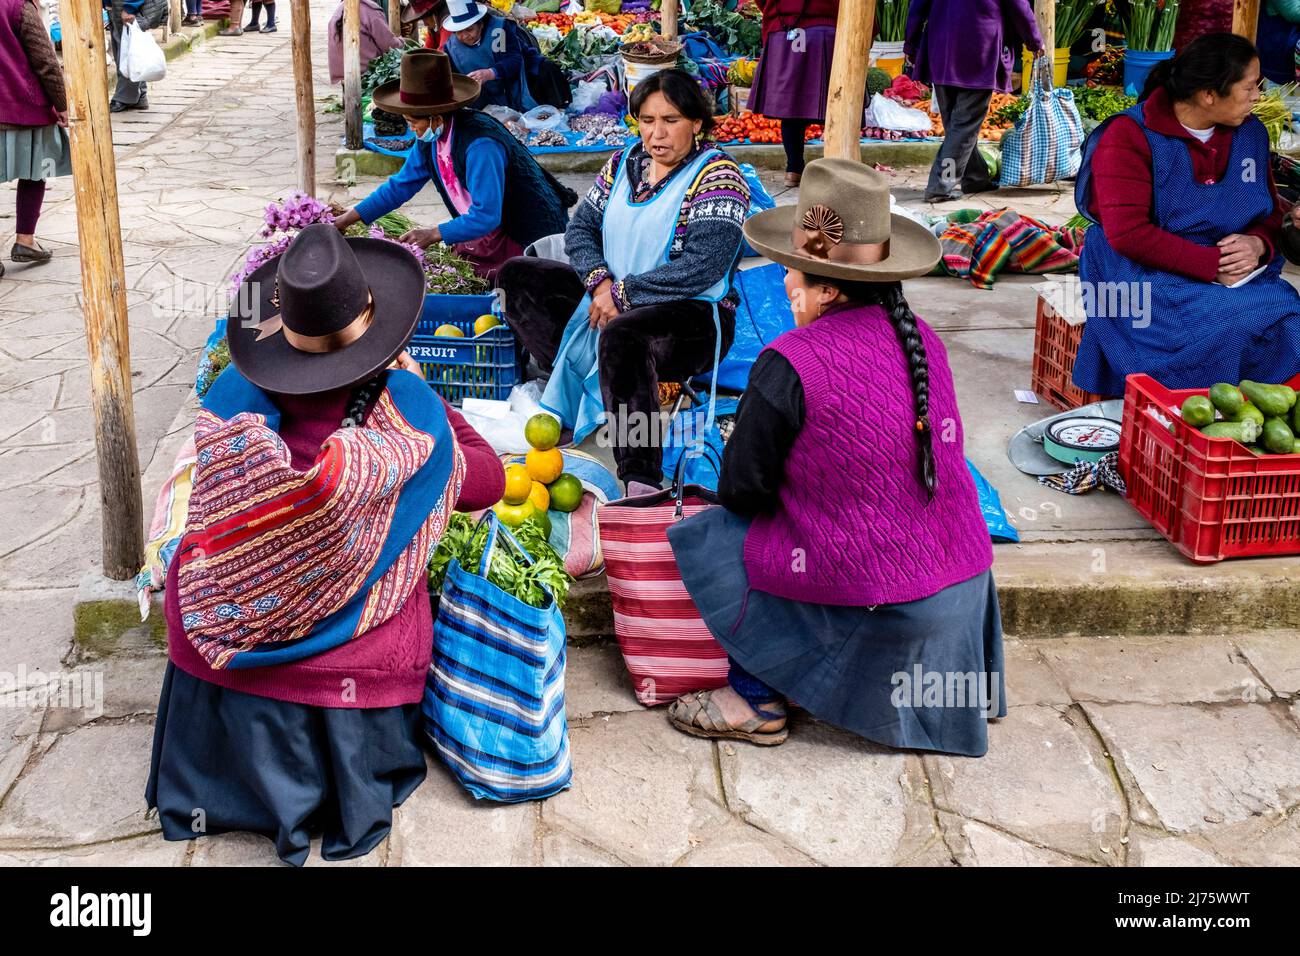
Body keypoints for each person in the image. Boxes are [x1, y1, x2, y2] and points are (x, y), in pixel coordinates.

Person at [145, 224, 506, 865]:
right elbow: (486, 481)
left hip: (222, 645)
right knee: (398, 576)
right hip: (340, 663)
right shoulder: (411, 411)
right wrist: (429, 397)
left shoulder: (230, 400)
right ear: (379, 329)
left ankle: (227, 789)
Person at [665, 158, 1003, 753]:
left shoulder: (790, 360)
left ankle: (756, 700)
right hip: (960, 585)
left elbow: (744, 491)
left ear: (826, 287)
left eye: (791, 271)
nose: (783, 282)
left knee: (716, 532)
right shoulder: (921, 338)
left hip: (889, 599)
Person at [496, 69, 749, 494]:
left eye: (670, 120)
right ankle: (596, 386)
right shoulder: (624, 163)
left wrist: (622, 295)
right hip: (607, 296)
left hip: (694, 317)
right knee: (518, 278)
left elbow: (702, 267)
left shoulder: (718, 178)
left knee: (625, 335)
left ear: (697, 124)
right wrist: (599, 285)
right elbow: (580, 231)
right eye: (647, 121)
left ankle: (640, 474)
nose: (657, 134)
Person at [1072, 33, 1300, 397]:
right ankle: (1175, 410)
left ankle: (1245, 410)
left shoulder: (1250, 134)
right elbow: (1128, 235)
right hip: (1137, 274)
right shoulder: (1129, 135)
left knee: (1289, 316)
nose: (1258, 96)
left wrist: (1258, 245)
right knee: (1231, 322)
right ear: (1209, 94)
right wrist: (1212, 264)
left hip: (1232, 276)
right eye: (1248, 87)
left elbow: (1269, 211)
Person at [332, 49, 575, 283]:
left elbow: (486, 215)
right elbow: (400, 186)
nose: (411, 129)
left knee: (514, 290)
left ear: (435, 116)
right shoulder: (429, 138)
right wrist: (347, 219)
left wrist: (434, 233)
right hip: (490, 228)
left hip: (525, 231)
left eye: (412, 122)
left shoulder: (481, 145)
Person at [906, 0, 1044, 202]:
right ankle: (940, 186)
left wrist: (911, 44)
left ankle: (975, 177)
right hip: (980, 48)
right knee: (962, 127)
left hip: (941, 46)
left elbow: (918, 6)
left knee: (957, 126)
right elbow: (1018, 6)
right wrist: (1035, 41)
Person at [0, 0, 69, 274]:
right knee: (36, 171)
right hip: (23, 107)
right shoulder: (17, 6)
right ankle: (25, 240)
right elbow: (45, 62)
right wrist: (61, 103)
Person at [747, 0, 839, 187]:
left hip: (784, 30)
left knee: (790, 105)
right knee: (835, 104)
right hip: (824, 29)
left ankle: (793, 169)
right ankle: (837, 171)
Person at [440, 0, 536, 113]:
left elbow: (514, 59)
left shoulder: (498, 29)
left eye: (469, 29)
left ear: (481, 24)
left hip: (511, 93)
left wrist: (490, 73)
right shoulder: (451, 47)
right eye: (459, 32)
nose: (465, 35)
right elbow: (453, 79)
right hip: (480, 103)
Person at [107, 0, 166, 110]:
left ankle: (124, 97)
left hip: (127, 6)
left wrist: (129, 7)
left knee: (127, 52)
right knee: (127, 49)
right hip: (117, 6)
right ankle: (139, 95)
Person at [328, 0, 403, 84]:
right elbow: (390, 45)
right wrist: (403, 42)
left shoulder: (340, 8)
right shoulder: (370, 10)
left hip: (341, 76)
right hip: (365, 75)